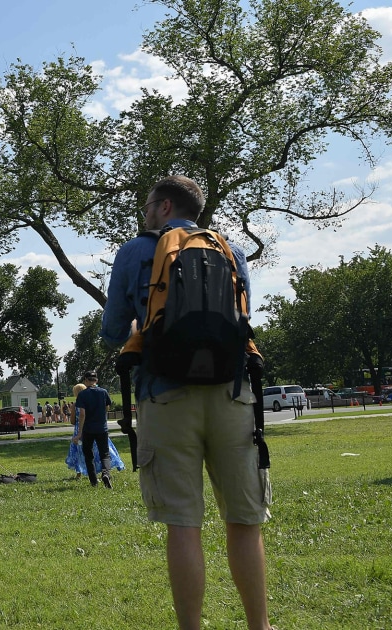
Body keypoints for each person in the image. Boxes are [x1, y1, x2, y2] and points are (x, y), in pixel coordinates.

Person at [101, 175, 272, 630]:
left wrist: (137, 329)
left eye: (147, 205)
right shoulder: (230, 250)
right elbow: (242, 318)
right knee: (245, 520)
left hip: (165, 395)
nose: (144, 213)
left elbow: (113, 330)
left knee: (183, 523)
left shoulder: (135, 251)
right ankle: (260, 626)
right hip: (232, 394)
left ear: (164, 206)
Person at [71, 371, 124, 488]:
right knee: (104, 454)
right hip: (102, 428)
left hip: (88, 429)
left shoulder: (82, 394)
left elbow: (82, 414)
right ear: (96, 380)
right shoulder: (103, 392)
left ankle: (94, 482)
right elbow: (107, 407)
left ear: (85, 380)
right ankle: (106, 473)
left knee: (88, 456)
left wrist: (79, 433)